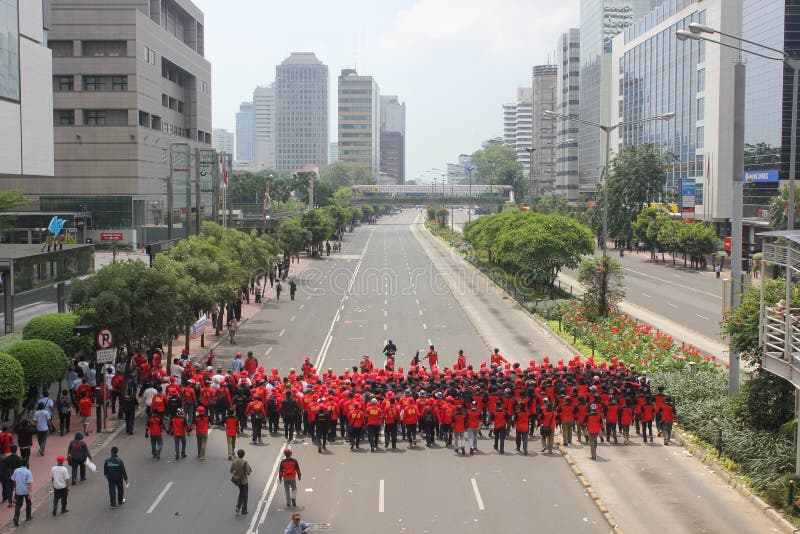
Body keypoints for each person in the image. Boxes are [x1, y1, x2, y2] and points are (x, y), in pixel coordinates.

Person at [230, 448, 252, 515]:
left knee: (241, 493)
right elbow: (249, 473)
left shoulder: (234, 462)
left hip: (238, 481)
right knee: (245, 495)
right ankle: (244, 510)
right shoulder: (245, 462)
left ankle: (238, 507)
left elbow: (231, 471)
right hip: (244, 481)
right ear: (243, 455)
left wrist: (236, 472)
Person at [10, 460, 32, 526]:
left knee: (18, 504)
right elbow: (29, 483)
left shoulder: (16, 470)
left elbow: (13, 480)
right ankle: (28, 517)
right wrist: (30, 492)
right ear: (27, 464)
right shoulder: (28, 472)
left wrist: (15, 487)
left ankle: (16, 517)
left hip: (18, 490)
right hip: (26, 490)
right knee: (28, 503)